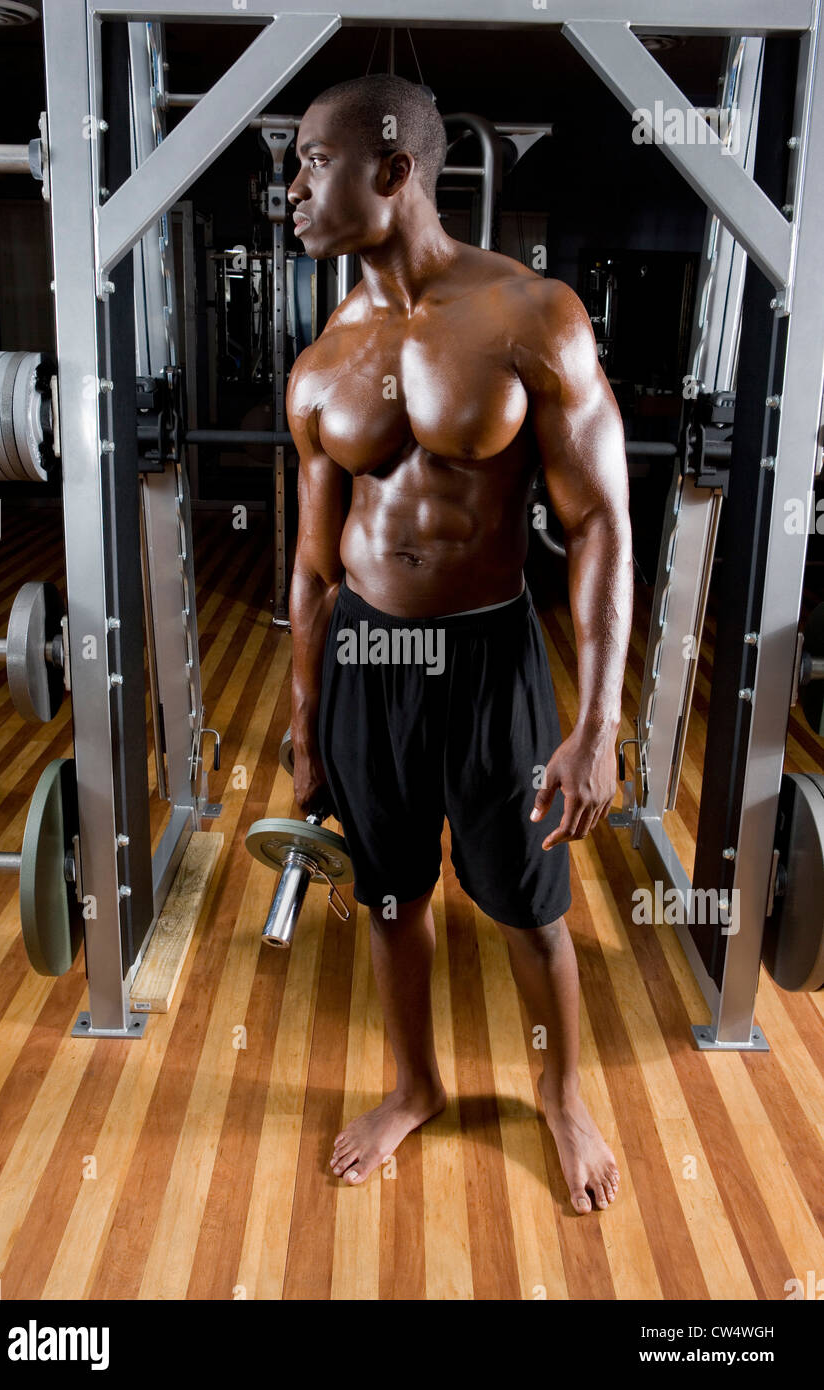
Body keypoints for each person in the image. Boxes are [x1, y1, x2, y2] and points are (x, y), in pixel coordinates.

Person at [285, 73, 632, 1215]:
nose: (289, 187)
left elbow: (597, 524)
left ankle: (561, 1088)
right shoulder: (325, 352)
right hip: (363, 661)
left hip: (488, 660)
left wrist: (595, 723)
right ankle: (414, 1084)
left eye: (308, 162)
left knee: (528, 903)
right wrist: (301, 715)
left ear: (392, 172)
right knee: (387, 890)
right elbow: (309, 559)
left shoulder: (531, 315)